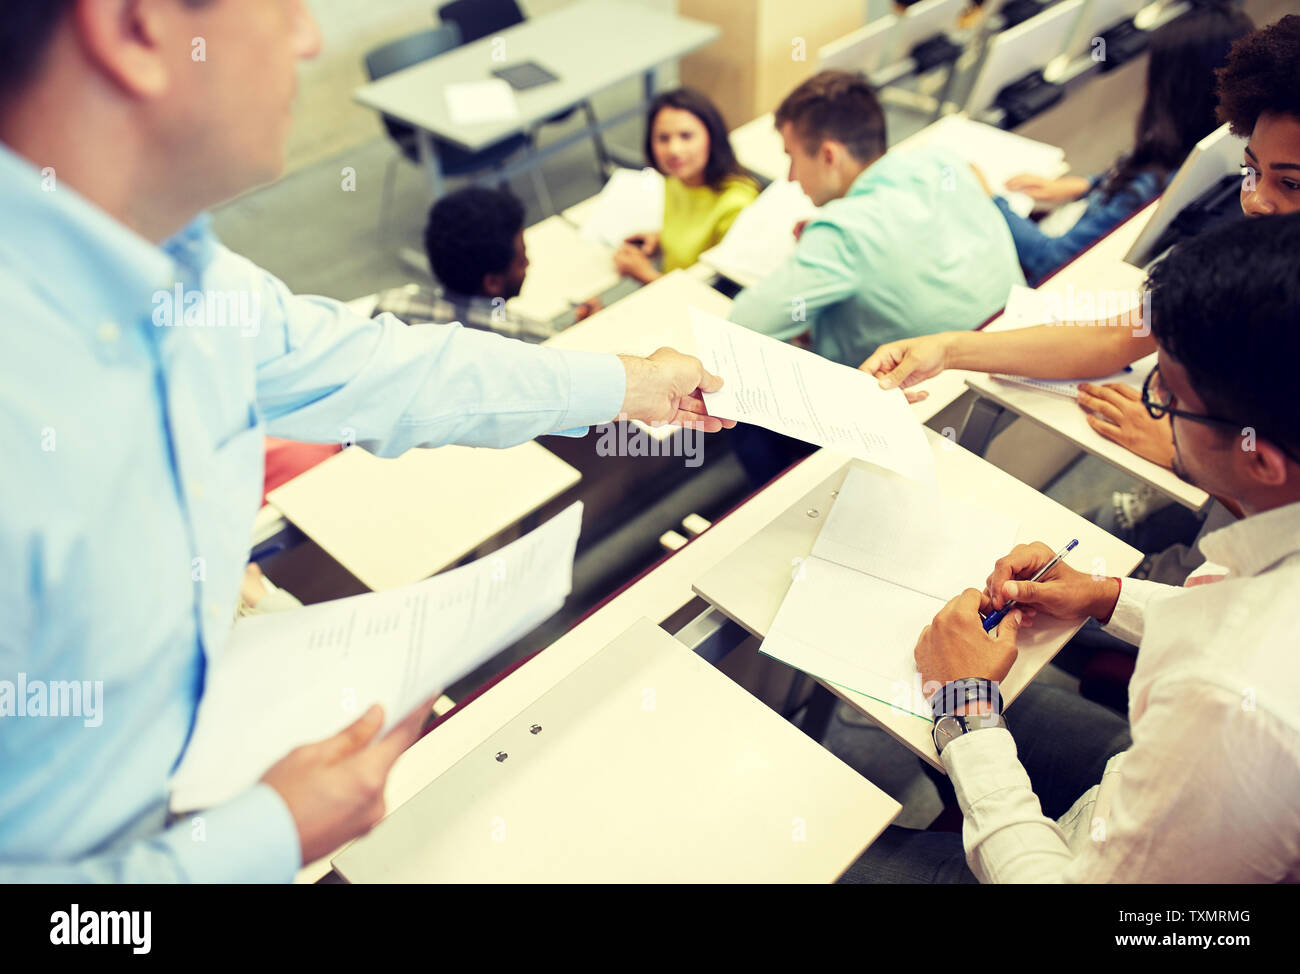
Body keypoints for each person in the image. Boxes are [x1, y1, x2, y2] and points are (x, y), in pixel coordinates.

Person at [0, 0, 733, 883]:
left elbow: (389, 372)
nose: (309, 39)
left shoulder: (184, 266)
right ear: (137, 29)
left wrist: (627, 385)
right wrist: (257, 841)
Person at [843, 211, 1300, 883]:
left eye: (1168, 396)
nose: (1155, 407)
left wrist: (967, 707)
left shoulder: (1229, 702)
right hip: (1145, 795)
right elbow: (1234, 613)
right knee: (932, 703)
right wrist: (1106, 595)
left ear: (1262, 463)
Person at [862, 14, 1300, 469]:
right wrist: (948, 349)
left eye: (1291, 185)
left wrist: (1181, 458)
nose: (1255, 201)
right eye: (1251, 172)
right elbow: (1117, 335)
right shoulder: (1243, 260)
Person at [729, 70, 1024, 371]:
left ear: (829, 155)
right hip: (1011, 350)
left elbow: (742, 326)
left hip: (920, 395)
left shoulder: (844, 229)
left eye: (792, 157)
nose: (791, 177)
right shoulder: (942, 161)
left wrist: (827, 241)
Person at [982, 2, 1254, 285]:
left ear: (1174, 90)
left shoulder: (1144, 189)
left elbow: (1048, 260)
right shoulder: (1211, 150)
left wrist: (990, 199)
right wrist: (1086, 185)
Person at [376, 185, 601, 339]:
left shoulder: (390, 308)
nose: (529, 263)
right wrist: (584, 331)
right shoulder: (526, 336)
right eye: (521, 260)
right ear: (492, 282)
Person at [612, 88, 759, 284]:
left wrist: (644, 274)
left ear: (711, 137)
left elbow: (713, 294)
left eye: (686, 136)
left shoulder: (736, 206)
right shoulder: (676, 178)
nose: (674, 150)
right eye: (663, 138)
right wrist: (661, 239)